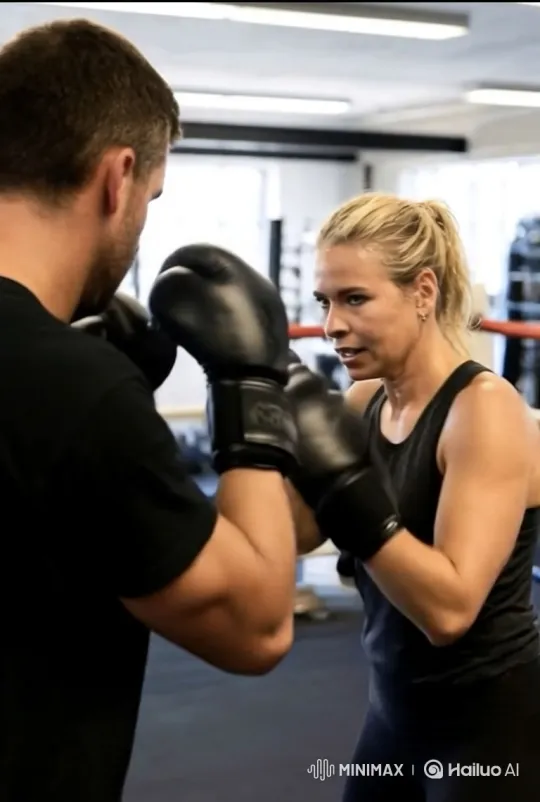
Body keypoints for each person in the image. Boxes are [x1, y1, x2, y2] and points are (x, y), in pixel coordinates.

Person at [0, 18, 301, 802]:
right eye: (151, 198)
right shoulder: (73, 387)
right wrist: (248, 385)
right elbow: (258, 626)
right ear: (117, 176)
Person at [285, 192, 540, 801]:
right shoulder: (362, 403)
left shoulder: (484, 411)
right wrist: (258, 430)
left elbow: (450, 611)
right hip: (393, 714)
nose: (332, 325)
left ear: (423, 292)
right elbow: (295, 537)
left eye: (355, 299)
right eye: (325, 302)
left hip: (490, 727)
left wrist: (352, 500)